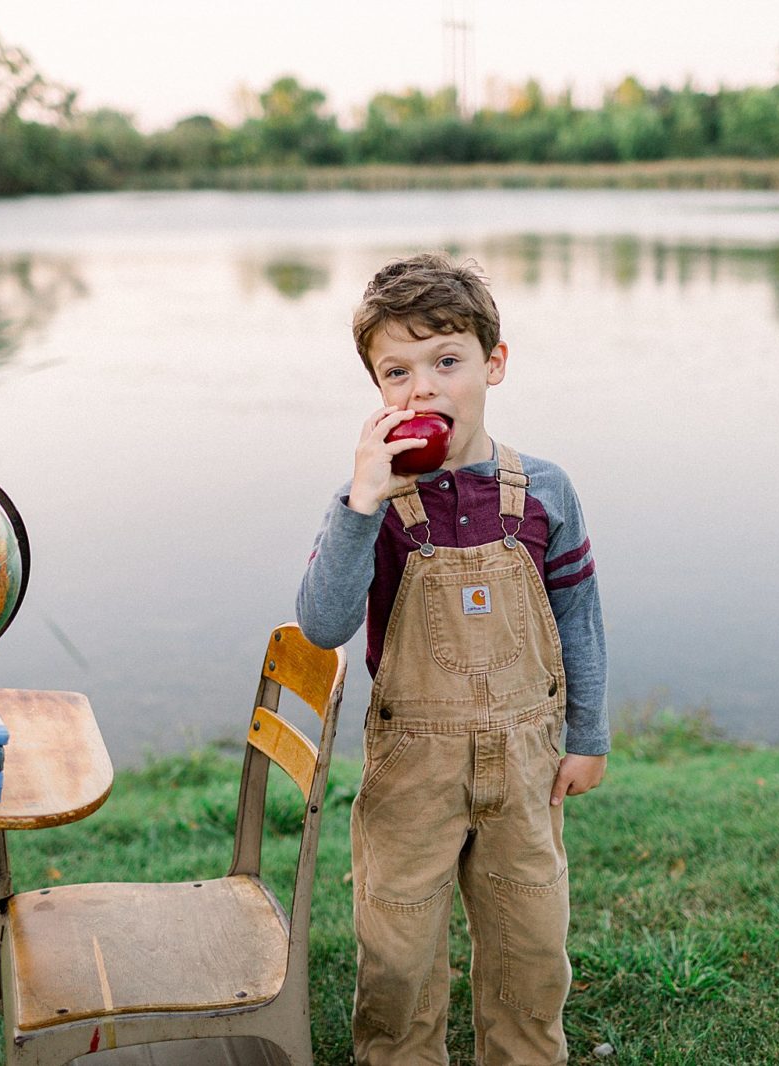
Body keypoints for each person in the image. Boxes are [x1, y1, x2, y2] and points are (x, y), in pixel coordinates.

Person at [296, 252, 608, 1065]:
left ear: (493, 364)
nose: (423, 387)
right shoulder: (373, 501)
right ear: (375, 387)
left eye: (446, 361)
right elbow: (322, 624)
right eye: (396, 370)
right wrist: (360, 500)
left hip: (527, 758)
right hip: (414, 767)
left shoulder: (546, 490)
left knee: (531, 947)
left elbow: (578, 615)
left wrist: (589, 734)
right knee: (397, 954)